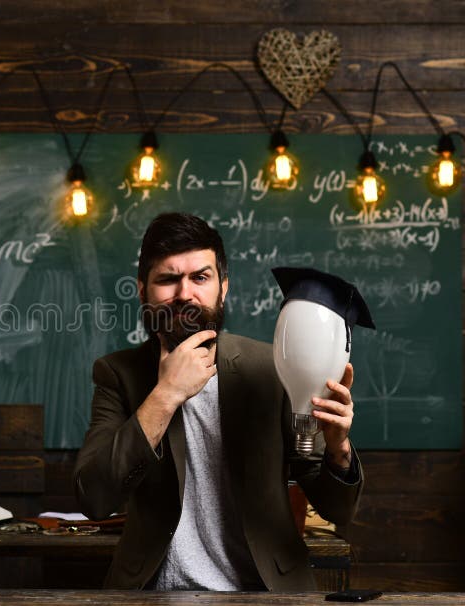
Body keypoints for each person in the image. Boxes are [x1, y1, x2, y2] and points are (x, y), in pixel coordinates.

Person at [73, 212, 363, 591]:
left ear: (223, 288)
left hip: (263, 593)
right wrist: (165, 395)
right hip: (156, 593)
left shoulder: (274, 368)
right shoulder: (118, 374)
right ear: (142, 290)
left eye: (200, 277)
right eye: (168, 279)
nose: (184, 294)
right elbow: (93, 497)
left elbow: (337, 508)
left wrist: (338, 447)